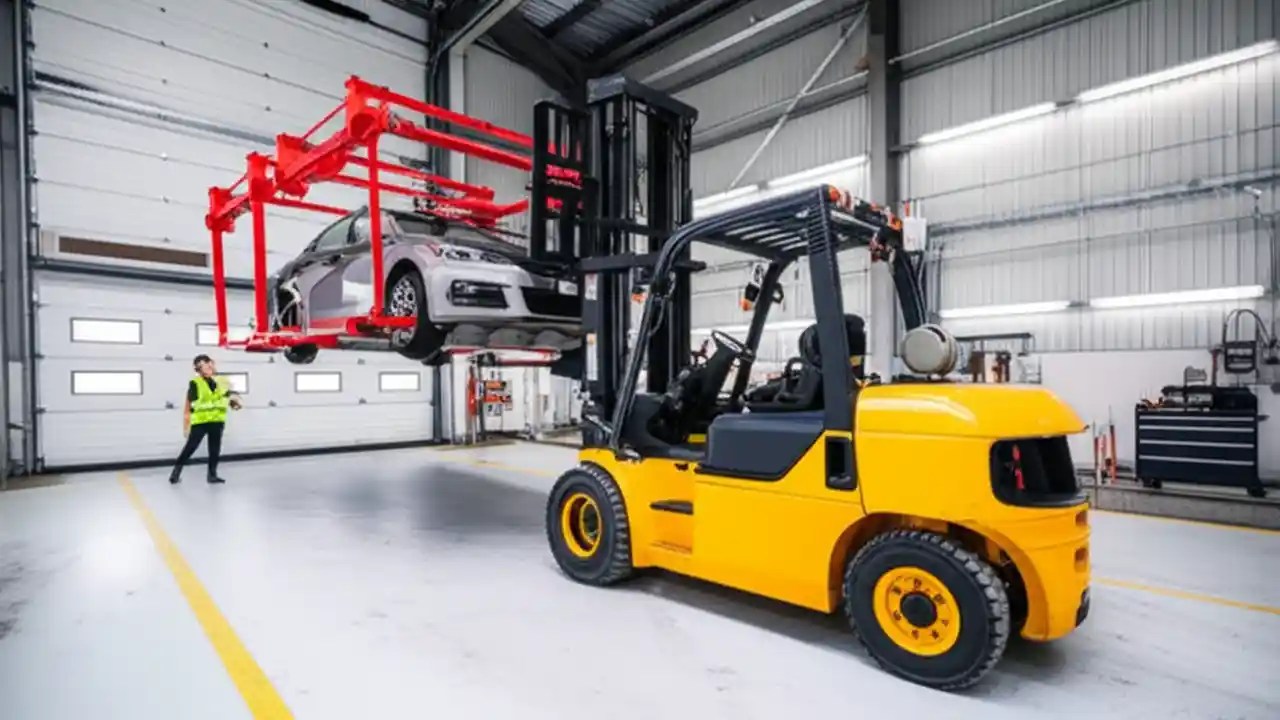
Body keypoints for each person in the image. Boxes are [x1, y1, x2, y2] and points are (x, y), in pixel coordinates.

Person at [169, 354, 242, 484]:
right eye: (202, 366)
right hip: (201, 422)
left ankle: (212, 475)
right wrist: (222, 403)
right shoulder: (195, 383)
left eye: (208, 364)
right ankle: (175, 473)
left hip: (217, 421)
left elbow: (229, 397)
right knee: (190, 448)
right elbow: (194, 404)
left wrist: (235, 403)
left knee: (214, 449)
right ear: (198, 370)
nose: (207, 367)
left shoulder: (222, 381)